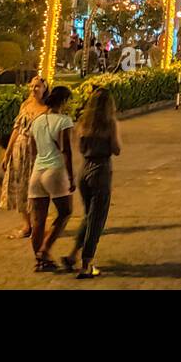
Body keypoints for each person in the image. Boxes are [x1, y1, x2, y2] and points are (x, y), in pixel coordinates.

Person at [62, 89, 120, 278]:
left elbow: (80, 148)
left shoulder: (83, 123)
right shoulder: (110, 124)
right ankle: (86, 264)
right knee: (97, 220)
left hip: (84, 170)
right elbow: (116, 149)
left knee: (88, 216)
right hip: (101, 170)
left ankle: (72, 255)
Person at [28, 85, 76, 271]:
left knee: (38, 221)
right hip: (55, 170)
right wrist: (71, 177)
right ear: (63, 101)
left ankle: (40, 260)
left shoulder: (37, 121)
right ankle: (45, 250)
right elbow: (66, 150)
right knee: (65, 212)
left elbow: (33, 150)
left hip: (37, 172)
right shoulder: (64, 121)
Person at [0, 75, 48, 238]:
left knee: (35, 187)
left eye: (37, 86)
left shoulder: (47, 109)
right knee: (21, 186)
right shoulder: (25, 106)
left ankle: (37, 223)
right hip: (20, 148)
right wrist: (7, 153)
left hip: (37, 151)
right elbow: (17, 128)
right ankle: (26, 224)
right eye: (32, 86)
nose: (34, 89)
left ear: (44, 89)